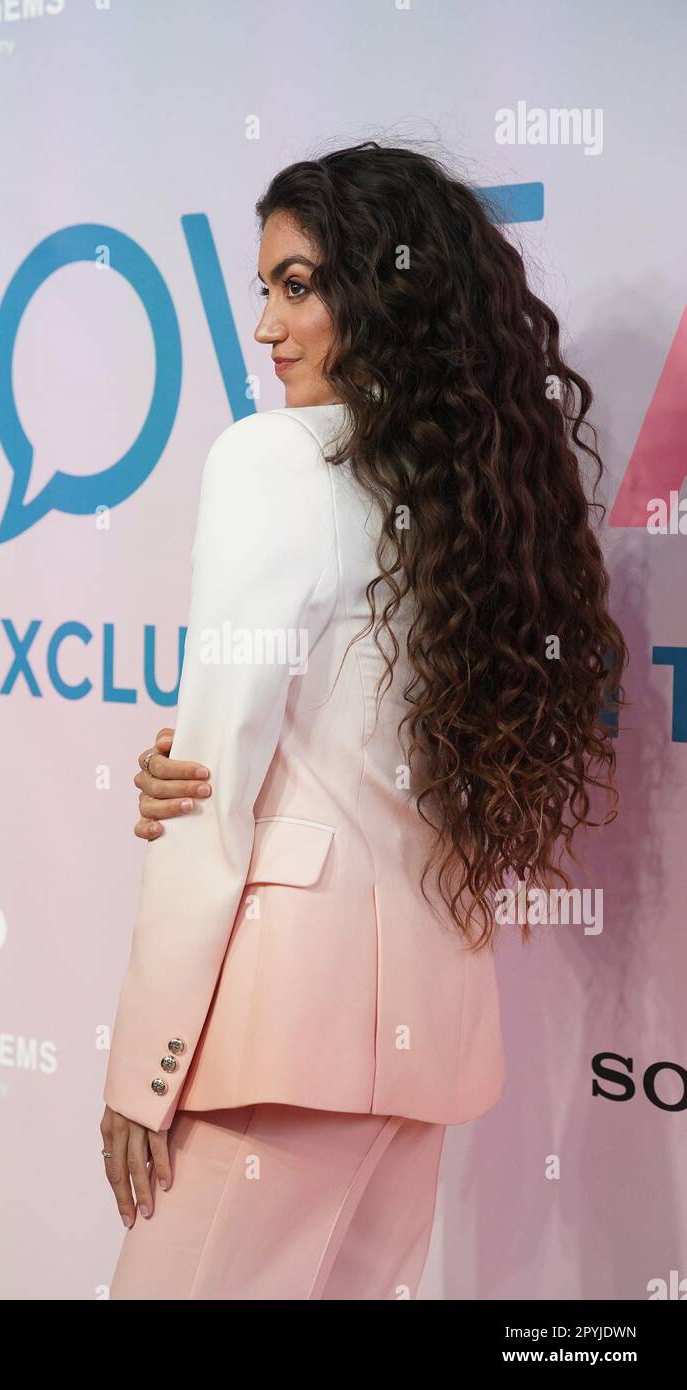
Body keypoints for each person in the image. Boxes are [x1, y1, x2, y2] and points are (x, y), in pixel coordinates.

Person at [99, 141, 629, 1300]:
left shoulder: (267, 461)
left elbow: (213, 799)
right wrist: (193, 751)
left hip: (279, 1044)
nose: (266, 327)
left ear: (383, 293)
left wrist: (144, 1068)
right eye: (264, 290)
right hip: (421, 1053)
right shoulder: (478, 496)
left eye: (298, 286)